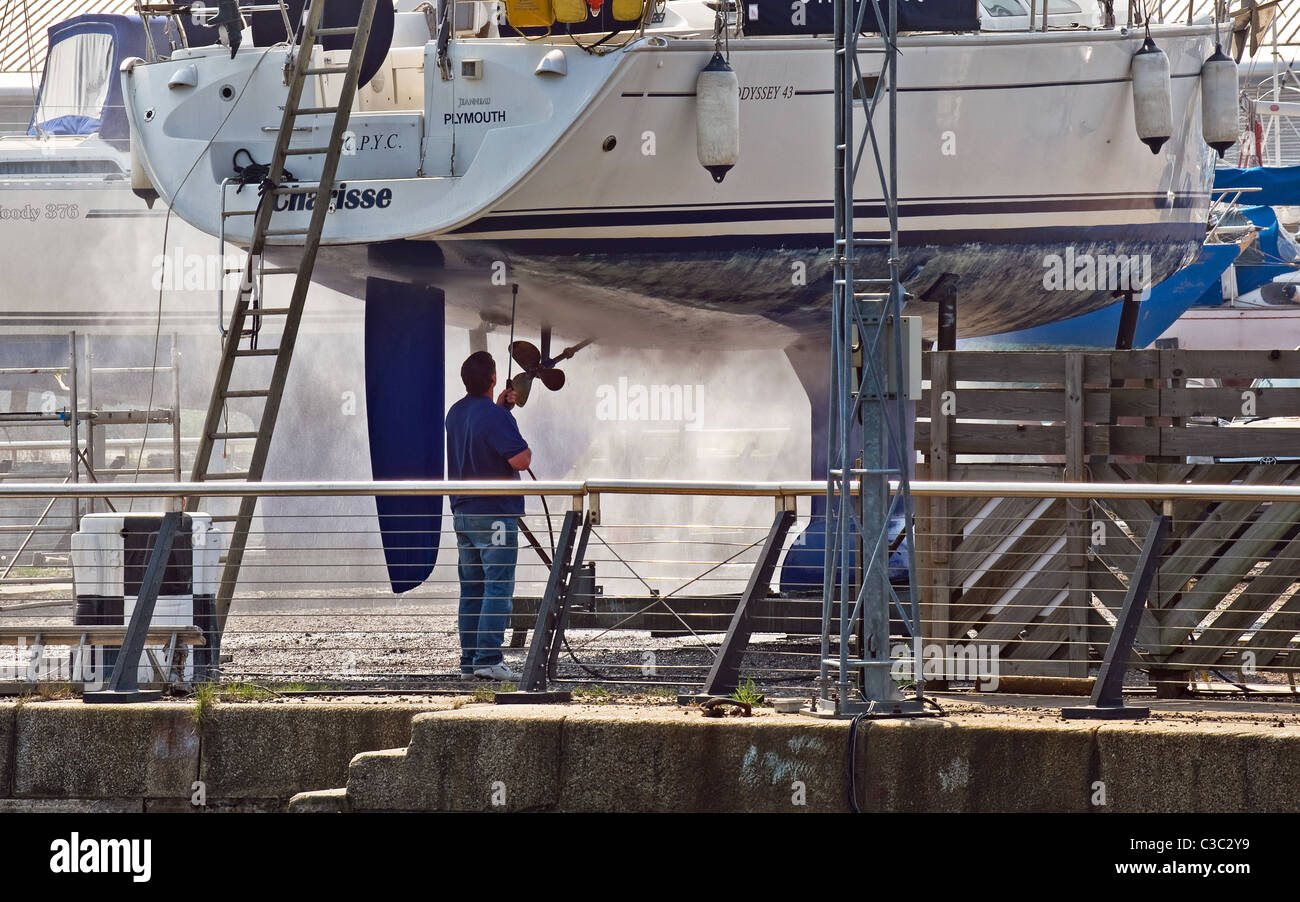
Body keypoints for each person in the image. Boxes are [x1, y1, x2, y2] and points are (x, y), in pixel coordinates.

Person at [445, 351, 532, 681]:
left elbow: (479, 433)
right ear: (494, 379)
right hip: (494, 514)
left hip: (462, 513)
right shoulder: (496, 418)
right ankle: (490, 660)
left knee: (472, 588)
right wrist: (505, 416)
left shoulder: (455, 413)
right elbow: (520, 460)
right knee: (498, 586)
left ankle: (470, 662)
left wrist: (500, 409)